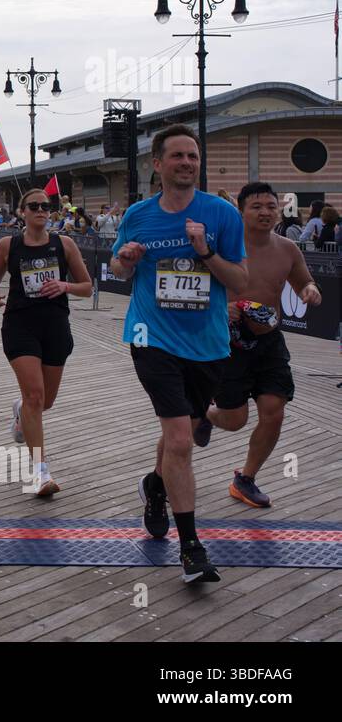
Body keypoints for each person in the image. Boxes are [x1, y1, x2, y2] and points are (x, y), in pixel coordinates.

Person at [111, 124, 247, 585]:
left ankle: (155, 487)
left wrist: (205, 250)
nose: (187, 163)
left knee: (180, 435)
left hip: (208, 345)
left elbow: (242, 281)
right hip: (152, 337)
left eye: (193, 156)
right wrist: (125, 260)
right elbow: (115, 267)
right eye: (178, 156)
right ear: (159, 164)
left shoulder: (221, 214)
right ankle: (190, 548)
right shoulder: (139, 215)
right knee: (182, 440)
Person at [199, 184, 322, 508]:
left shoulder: (287, 248)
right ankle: (207, 416)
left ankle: (246, 479)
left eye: (271, 206)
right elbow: (198, 289)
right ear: (241, 211)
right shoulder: (223, 247)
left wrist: (310, 290)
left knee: (274, 412)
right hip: (229, 342)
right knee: (236, 418)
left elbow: (303, 281)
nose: (265, 212)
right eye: (257, 206)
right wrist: (218, 308)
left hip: (269, 340)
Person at [0, 188, 94, 497]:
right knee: (34, 396)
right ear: (22, 212)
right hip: (20, 325)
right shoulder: (8, 245)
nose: (41, 210)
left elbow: (87, 287)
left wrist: (64, 285)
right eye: (34, 206)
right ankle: (40, 471)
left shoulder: (65, 244)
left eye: (46, 206)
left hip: (55, 326)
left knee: (44, 402)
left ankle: (20, 411)